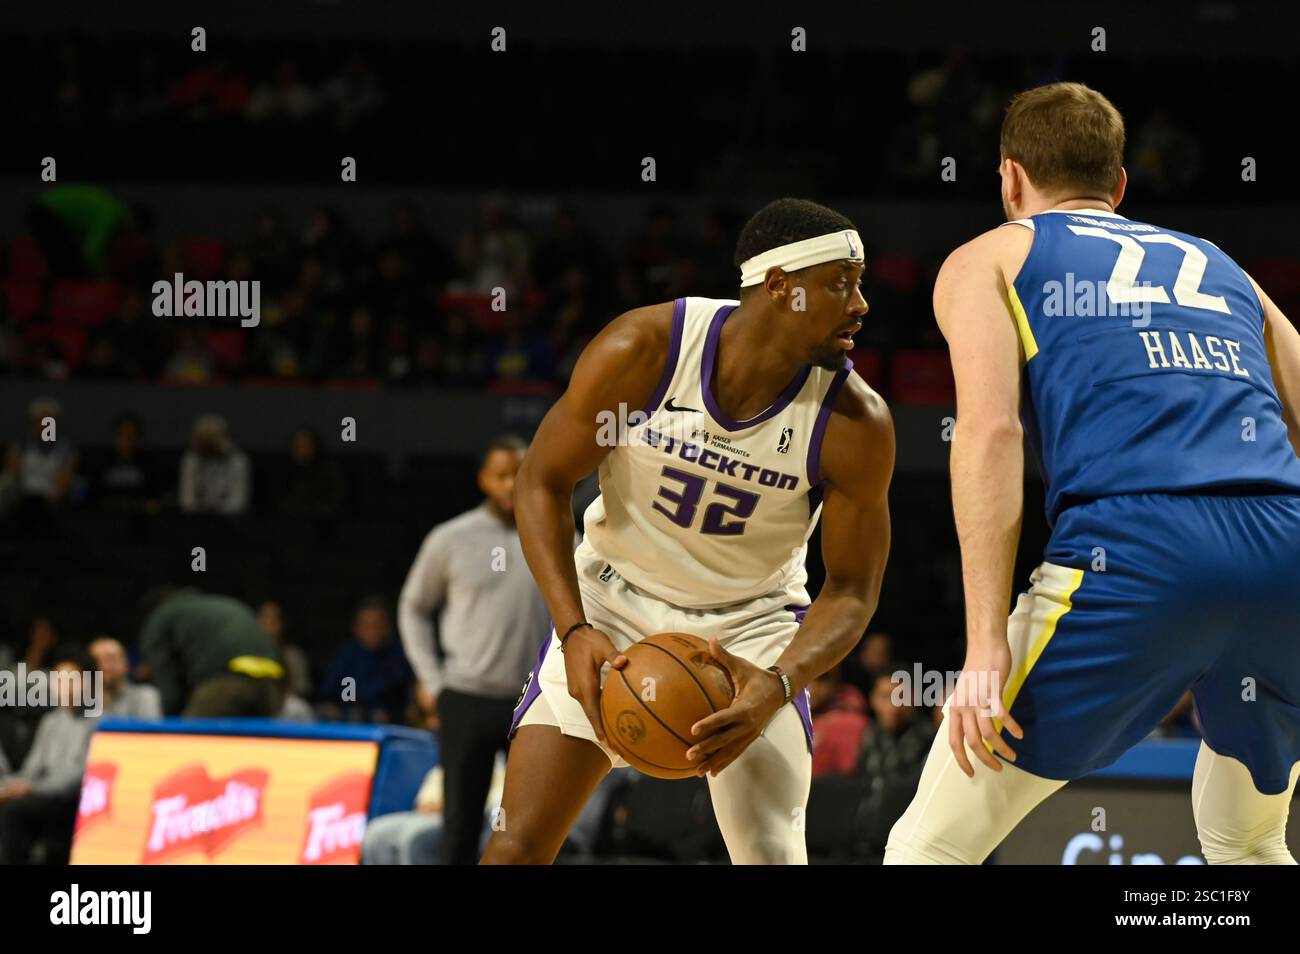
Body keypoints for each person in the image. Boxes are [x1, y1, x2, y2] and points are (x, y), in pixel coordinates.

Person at [885, 82, 1300, 865]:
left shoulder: (990, 256)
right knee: (1248, 845)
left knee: (928, 849)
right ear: (1120, 185)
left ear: (1010, 179)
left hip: (1139, 546)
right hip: (1286, 544)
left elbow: (990, 432)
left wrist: (981, 649)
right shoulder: (1224, 267)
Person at [481, 198, 895, 865]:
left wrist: (780, 681)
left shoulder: (855, 421)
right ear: (780, 286)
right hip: (612, 603)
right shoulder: (645, 350)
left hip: (748, 629)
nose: (860, 304)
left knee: (772, 854)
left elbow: (851, 590)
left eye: (861, 284)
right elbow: (540, 481)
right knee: (515, 846)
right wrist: (573, 628)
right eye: (841, 283)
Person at [398, 435, 551, 864]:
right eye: (501, 475)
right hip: (465, 696)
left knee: (532, 826)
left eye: (518, 475)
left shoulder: (559, 534)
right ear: (484, 479)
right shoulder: (450, 538)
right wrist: (430, 678)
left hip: (534, 698)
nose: (509, 485)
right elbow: (412, 607)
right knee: (460, 824)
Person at [0, 645, 98, 864]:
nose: (66, 688)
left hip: (76, 802)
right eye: (59, 681)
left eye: (73, 680)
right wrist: (7, 787)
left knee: (13, 813)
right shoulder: (50, 721)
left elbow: (79, 777)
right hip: (42, 797)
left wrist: (31, 788)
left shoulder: (99, 721)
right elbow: (32, 769)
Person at [137, 589, 284, 717]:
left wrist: (172, 718)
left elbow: (166, 677)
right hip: (270, 684)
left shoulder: (161, 615)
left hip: (228, 679)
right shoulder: (218, 605)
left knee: (187, 740)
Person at [318, 597, 412, 724]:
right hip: (349, 717)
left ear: (388, 628)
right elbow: (336, 692)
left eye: (378, 625)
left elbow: (403, 697)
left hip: (387, 720)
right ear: (356, 628)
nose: (373, 631)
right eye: (367, 625)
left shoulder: (397, 656)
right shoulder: (347, 655)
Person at [178, 414, 251, 515]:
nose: (209, 446)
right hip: (196, 518)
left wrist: (217, 508)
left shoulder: (236, 460)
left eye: (212, 441)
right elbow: (186, 500)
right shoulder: (191, 459)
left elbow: (238, 502)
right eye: (205, 442)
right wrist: (199, 508)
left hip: (228, 520)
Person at [88, 635, 162, 718]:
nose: (104, 666)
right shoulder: (82, 701)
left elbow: (149, 729)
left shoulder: (144, 697)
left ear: (126, 664)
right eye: (96, 660)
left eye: (111, 659)